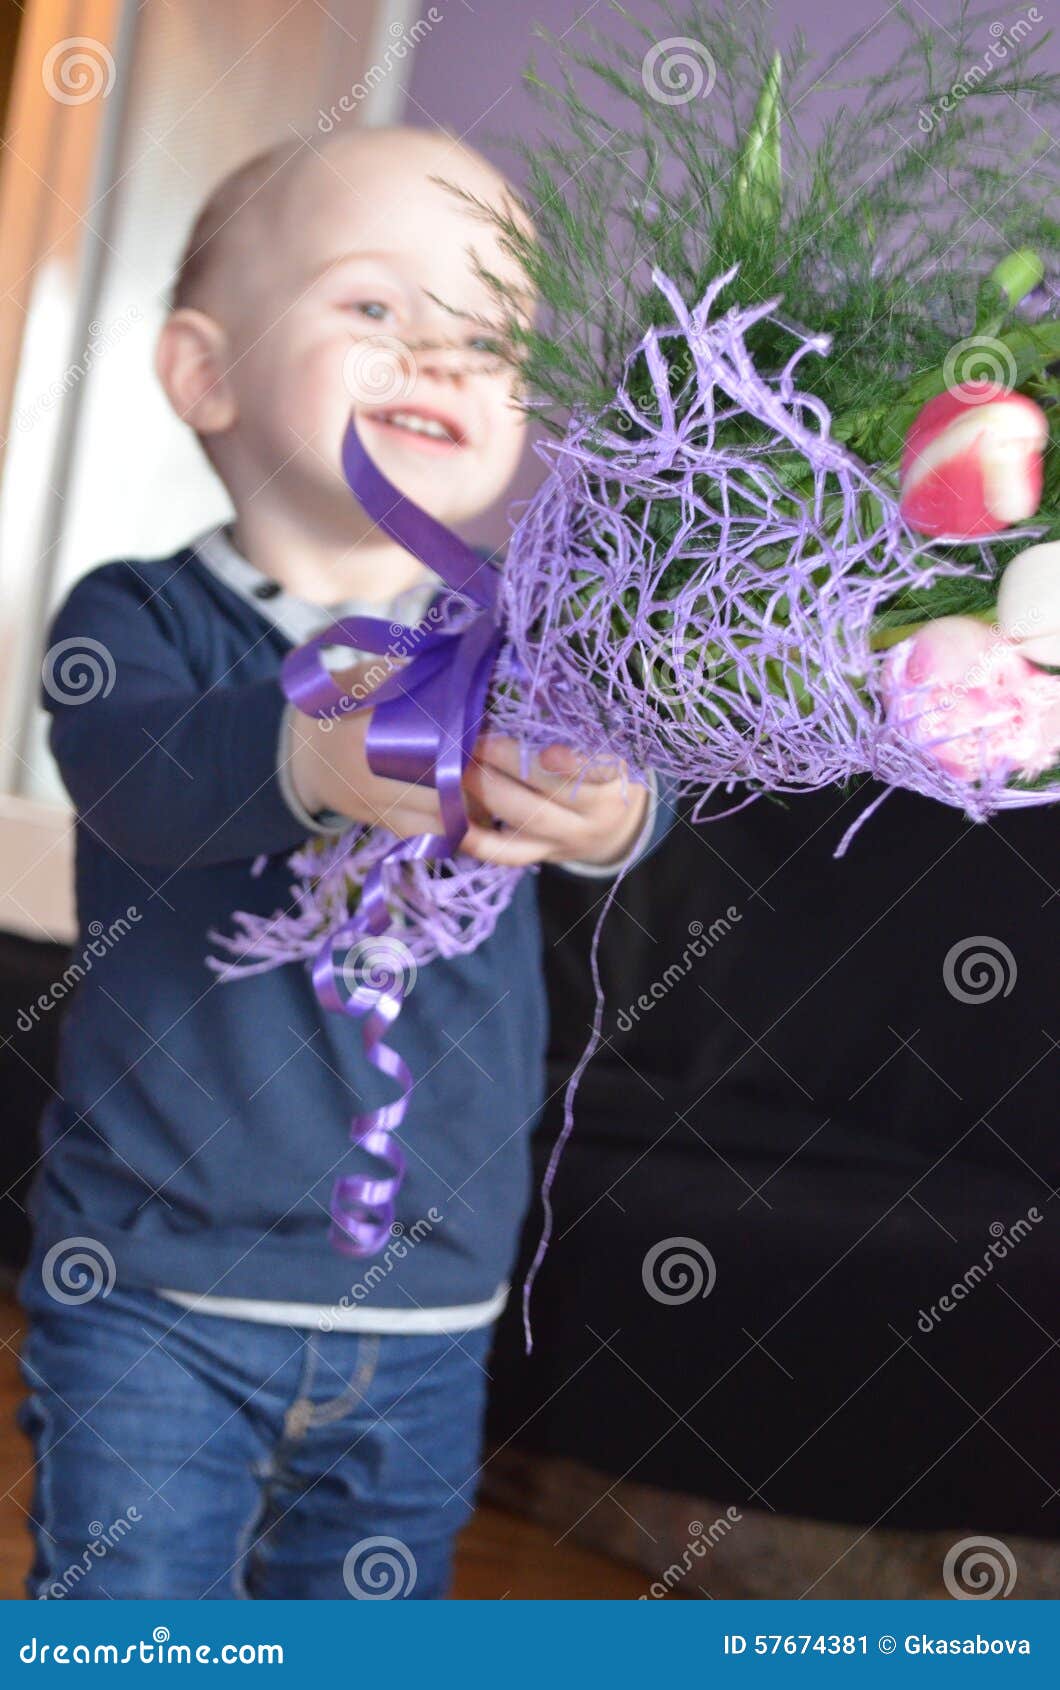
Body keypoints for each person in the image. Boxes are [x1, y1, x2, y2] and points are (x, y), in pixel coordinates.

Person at [18, 125, 664, 1601]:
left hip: (433, 1302)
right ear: (206, 372)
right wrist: (309, 755)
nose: (437, 350)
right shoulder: (134, 620)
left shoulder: (527, 645)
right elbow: (136, 775)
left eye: (488, 331)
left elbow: (639, 801)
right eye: (374, 306)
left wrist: (617, 811)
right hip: (156, 1292)